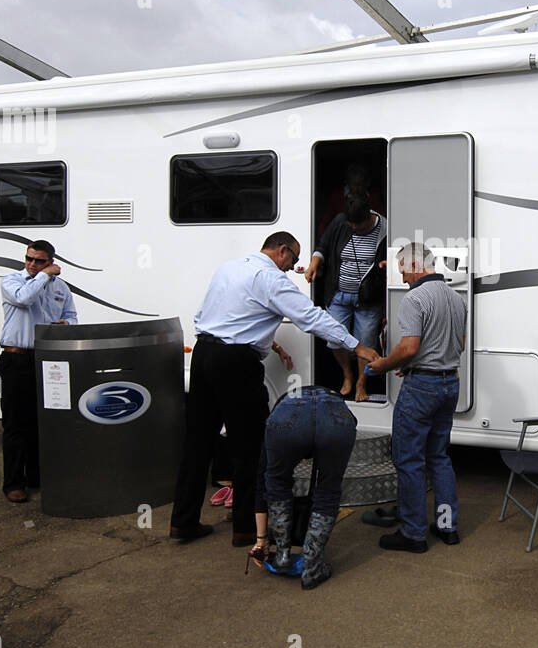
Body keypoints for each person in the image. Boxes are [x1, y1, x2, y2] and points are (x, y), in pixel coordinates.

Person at [170, 232, 379, 543]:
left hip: (204, 354)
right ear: (282, 251)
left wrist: (272, 344)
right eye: (293, 261)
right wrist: (356, 346)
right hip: (237, 364)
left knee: (198, 442)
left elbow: (222, 317)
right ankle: (246, 528)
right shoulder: (270, 279)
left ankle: (182, 522)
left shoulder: (228, 268)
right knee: (251, 448)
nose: (290, 268)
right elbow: (311, 317)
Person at [367, 242, 467, 552]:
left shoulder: (415, 299)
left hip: (422, 388)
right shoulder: (456, 298)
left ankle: (413, 533)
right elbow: (459, 345)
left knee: (409, 460)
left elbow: (410, 347)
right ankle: (447, 526)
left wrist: (384, 364)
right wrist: (412, 364)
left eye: (403, 272)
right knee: (438, 457)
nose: (404, 279)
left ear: (413, 265)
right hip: (449, 384)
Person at [253, 385, 358, 589]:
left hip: (289, 420)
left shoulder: (280, 411)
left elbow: (263, 482)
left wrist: (261, 539)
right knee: (329, 488)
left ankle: (282, 555)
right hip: (336, 416)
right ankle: (312, 566)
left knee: (276, 480)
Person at [0, 240, 78, 503]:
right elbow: (24, 299)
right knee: (15, 426)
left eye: (39, 261)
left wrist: (65, 324)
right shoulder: (12, 281)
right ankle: (13, 483)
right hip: (16, 359)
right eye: (29, 258)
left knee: (41, 423)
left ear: (52, 261)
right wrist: (43, 276)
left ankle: (36, 477)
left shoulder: (61, 288)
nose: (32, 264)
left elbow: (73, 316)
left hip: (46, 359)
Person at [303, 196, 386, 401]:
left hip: (368, 297)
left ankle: (361, 382)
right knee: (334, 338)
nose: (356, 228)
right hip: (338, 293)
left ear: (370, 215)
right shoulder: (341, 222)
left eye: (361, 225)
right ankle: (347, 375)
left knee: (365, 343)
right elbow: (323, 246)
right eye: (352, 225)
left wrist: (385, 263)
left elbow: (392, 255)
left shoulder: (385, 227)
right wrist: (314, 263)